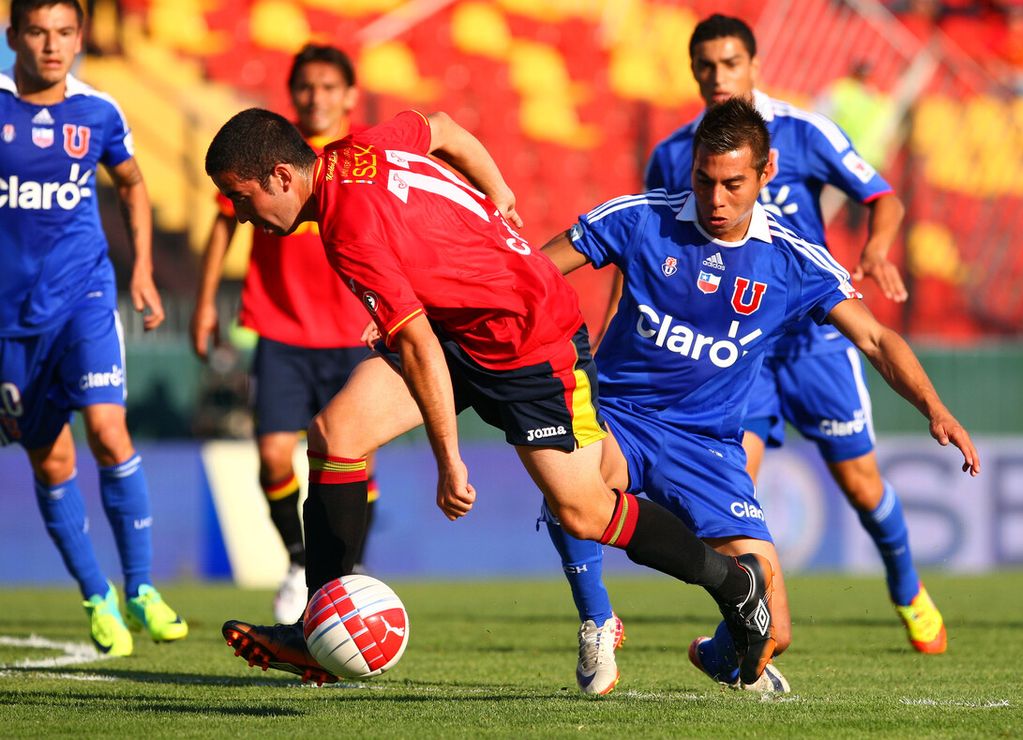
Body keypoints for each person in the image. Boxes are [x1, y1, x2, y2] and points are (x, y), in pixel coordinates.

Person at [205, 106, 780, 689]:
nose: (240, 214)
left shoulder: (345, 226)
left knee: (583, 510)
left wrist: (448, 460)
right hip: (464, 330)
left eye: (240, 196)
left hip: (533, 343)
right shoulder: (356, 150)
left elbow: (421, 349)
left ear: (281, 175)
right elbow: (445, 127)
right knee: (337, 433)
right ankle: (315, 626)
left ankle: (735, 584)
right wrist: (499, 192)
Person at [541, 13, 951, 691]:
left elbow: (877, 317)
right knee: (569, 475)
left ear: (767, 172)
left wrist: (935, 405)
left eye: (729, 63)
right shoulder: (654, 193)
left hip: (792, 354)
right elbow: (543, 272)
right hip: (660, 398)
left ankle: (756, 640)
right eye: (705, 182)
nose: (715, 198)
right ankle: (597, 621)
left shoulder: (799, 178)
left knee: (782, 618)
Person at [0, 0, 187, 655]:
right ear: (13, 35)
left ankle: (141, 589)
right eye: (38, 32)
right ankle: (96, 596)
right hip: (9, 324)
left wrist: (139, 272)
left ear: (80, 37)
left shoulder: (99, 111)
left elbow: (132, 184)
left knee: (108, 431)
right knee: (50, 458)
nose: (53, 47)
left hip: (83, 293)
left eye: (64, 33)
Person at [190, 43, 381, 624]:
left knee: (352, 463)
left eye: (328, 88)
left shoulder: (361, 158)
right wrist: (204, 305)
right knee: (275, 457)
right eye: (306, 87)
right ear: (293, 92)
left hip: (353, 330)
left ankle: (350, 573)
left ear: (349, 95)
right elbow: (226, 224)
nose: (316, 98)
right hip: (280, 329)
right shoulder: (267, 157)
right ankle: (300, 564)